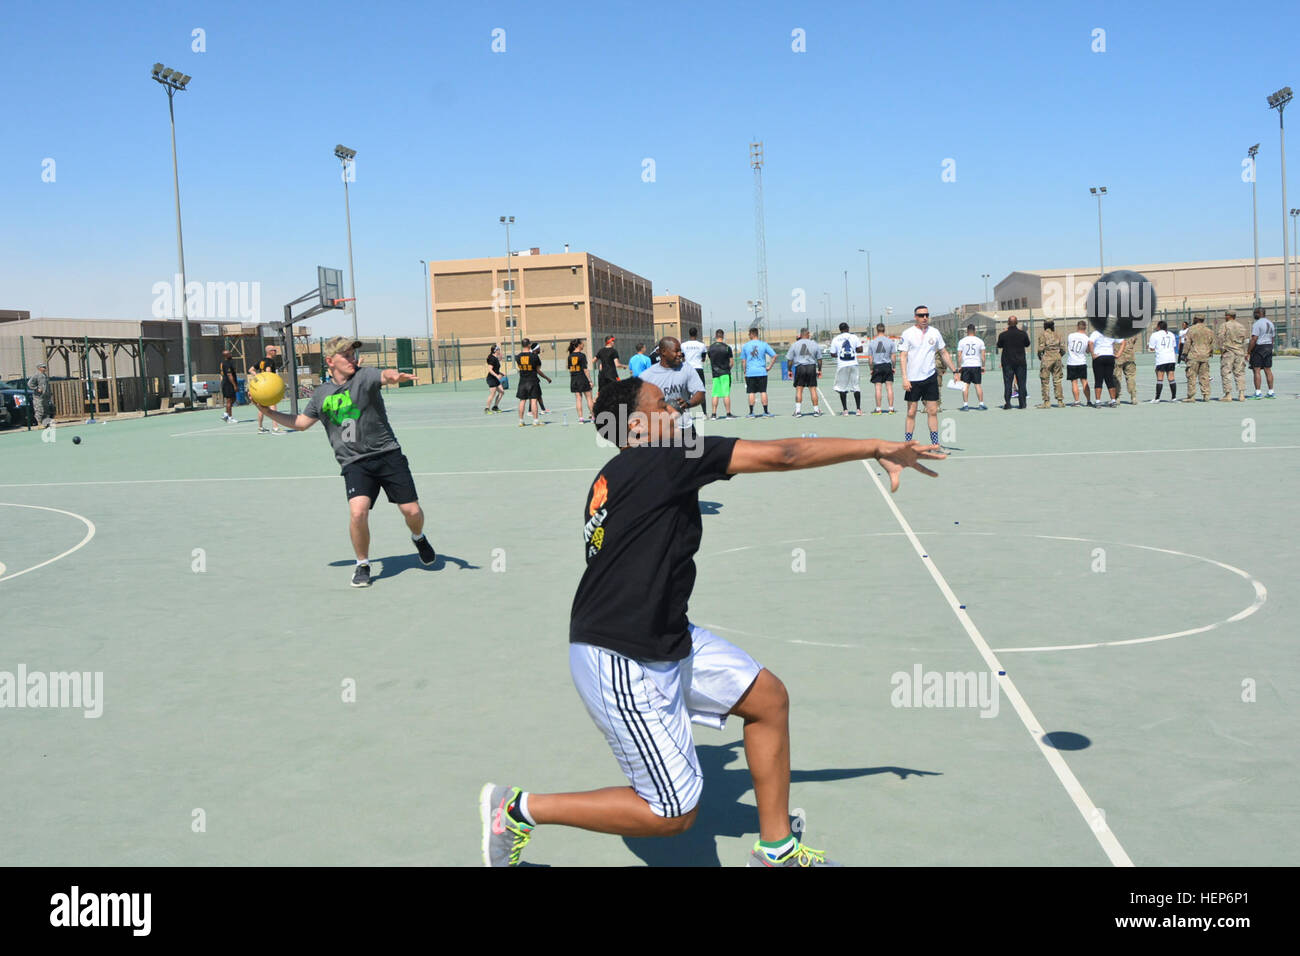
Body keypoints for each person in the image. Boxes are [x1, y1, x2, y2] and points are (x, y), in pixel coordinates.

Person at [479, 376, 946, 867]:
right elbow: (783, 453)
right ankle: (516, 809)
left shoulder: (616, 474)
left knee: (767, 698)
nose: (677, 410)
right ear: (637, 424)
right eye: (663, 404)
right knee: (671, 814)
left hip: (665, 638)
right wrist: (875, 446)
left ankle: (776, 851)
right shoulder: (667, 457)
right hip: (620, 655)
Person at [253, 336, 433, 588]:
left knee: (411, 511)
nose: (352, 359)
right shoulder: (321, 394)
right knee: (358, 512)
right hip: (354, 463)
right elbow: (301, 424)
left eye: (352, 354)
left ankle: (419, 537)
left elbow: (385, 375)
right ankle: (362, 563)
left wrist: (395, 377)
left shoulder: (365, 376)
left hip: (387, 454)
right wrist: (268, 412)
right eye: (345, 355)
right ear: (330, 361)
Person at [899, 305, 959, 445]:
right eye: (921, 315)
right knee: (911, 412)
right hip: (913, 379)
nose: (924, 318)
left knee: (932, 411)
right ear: (916, 317)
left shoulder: (935, 332)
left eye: (926, 315)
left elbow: (943, 352)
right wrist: (905, 378)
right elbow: (903, 356)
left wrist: (955, 371)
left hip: (930, 377)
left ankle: (935, 444)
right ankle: (908, 445)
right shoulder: (908, 333)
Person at [638, 337, 705, 435]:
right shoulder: (646, 376)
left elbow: (700, 393)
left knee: (697, 450)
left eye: (680, 351)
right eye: (676, 351)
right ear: (664, 352)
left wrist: (688, 403)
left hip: (685, 428)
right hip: (660, 431)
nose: (680, 354)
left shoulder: (686, 369)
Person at [739, 327, 777, 417]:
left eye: (749, 334)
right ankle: (766, 412)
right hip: (761, 372)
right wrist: (769, 367)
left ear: (752, 334)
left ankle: (751, 413)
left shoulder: (746, 346)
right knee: (763, 391)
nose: (748, 336)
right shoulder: (764, 344)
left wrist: (745, 371)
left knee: (751, 392)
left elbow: (743, 361)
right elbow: (774, 356)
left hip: (750, 372)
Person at [785, 328, 823, 417]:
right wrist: (820, 370)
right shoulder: (814, 344)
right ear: (808, 334)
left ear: (800, 334)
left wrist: (789, 370)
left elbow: (790, 359)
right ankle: (816, 411)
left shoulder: (794, 345)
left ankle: (798, 411)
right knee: (813, 389)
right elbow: (819, 359)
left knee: (799, 389)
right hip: (811, 367)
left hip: (800, 367)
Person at [828, 322, 864, 415]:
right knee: (856, 386)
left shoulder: (835, 339)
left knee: (842, 388)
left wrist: (840, 353)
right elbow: (860, 349)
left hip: (842, 365)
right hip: (853, 364)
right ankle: (858, 409)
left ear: (840, 330)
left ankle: (845, 410)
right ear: (848, 328)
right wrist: (851, 351)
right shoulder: (854, 337)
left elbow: (832, 354)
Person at [515, 338, 552, 426]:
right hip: (532, 381)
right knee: (534, 400)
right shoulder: (534, 356)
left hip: (522, 381)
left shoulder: (518, 357)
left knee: (522, 401)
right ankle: (535, 421)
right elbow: (538, 370)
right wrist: (546, 378)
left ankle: (521, 421)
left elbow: (520, 367)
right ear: (529, 345)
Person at [996, 316, 1029, 410]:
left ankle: (1008, 403)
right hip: (1020, 362)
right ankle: (1022, 404)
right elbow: (1027, 344)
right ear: (1017, 322)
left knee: (1007, 383)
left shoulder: (1003, 335)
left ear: (1008, 323)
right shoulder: (1023, 334)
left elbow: (999, 345)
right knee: (1022, 383)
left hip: (1007, 362)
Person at [251, 344, 285, 433]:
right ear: (269, 351)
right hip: (268, 386)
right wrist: (272, 379)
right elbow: (268, 371)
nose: (276, 352)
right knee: (273, 405)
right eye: (274, 350)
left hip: (261, 387)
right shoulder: (270, 361)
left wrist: (258, 376)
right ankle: (275, 427)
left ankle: (260, 428)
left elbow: (251, 370)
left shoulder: (261, 360)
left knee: (262, 407)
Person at [1181, 315, 1215, 402]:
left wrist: (1184, 354)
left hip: (1193, 356)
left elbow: (1187, 342)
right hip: (1204, 356)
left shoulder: (1191, 329)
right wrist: (1210, 353)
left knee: (1191, 376)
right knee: (1205, 376)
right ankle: (1206, 395)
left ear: (1196, 319)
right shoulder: (1208, 330)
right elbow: (1212, 343)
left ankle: (1191, 396)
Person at [955, 324, 988, 411]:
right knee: (978, 385)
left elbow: (959, 356)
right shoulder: (980, 341)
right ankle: (981, 404)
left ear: (967, 331)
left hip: (966, 366)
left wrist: (959, 367)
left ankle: (965, 405)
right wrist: (983, 366)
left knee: (965, 386)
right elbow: (983, 355)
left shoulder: (961, 341)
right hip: (976, 365)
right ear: (975, 331)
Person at [867, 324, 897, 414]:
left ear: (877, 330)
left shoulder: (872, 342)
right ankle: (891, 408)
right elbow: (893, 357)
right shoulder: (890, 342)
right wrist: (893, 367)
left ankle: (878, 409)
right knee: (889, 387)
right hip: (887, 365)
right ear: (884, 330)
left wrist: (871, 368)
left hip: (877, 366)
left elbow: (870, 359)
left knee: (878, 388)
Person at [706, 329, 736, 419]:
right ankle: (728, 414)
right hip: (725, 373)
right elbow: (731, 362)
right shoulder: (727, 347)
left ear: (715, 336)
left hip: (715, 374)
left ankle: (714, 414)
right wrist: (727, 369)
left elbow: (710, 359)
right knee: (726, 394)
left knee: (715, 394)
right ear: (723, 336)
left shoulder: (710, 348)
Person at [1146, 320, 1178, 403]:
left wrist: (1148, 346)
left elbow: (1151, 348)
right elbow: (1174, 346)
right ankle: (1174, 397)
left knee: (1160, 378)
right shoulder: (1171, 334)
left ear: (1159, 327)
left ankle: (1157, 398)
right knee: (1171, 378)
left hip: (1161, 359)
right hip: (1171, 358)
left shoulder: (1155, 335)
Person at [1087, 326, 1120, 407]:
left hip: (1099, 357)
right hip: (1109, 356)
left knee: (1098, 380)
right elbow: (1123, 342)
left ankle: (1098, 401)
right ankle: (1113, 400)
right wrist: (1119, 353)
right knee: (1109, 380)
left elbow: (1090, 342)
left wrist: (1092, 354)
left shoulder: (1096, 333)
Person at [1035, 320, 1065, 408]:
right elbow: (1063, 349)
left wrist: (1040, 357)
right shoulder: (1058, 334)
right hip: (1057, 358)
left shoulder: (1043, 335)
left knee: (1045, 381)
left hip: (1047, 358)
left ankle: (1046, 401)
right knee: (1057, 380)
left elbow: (1040, 349)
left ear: (1044, 325)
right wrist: (1059, 356)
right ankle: (1060, 401)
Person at [1219, 312, 1248, 401]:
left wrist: (1221, 350)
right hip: (1239, 351)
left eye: (1226, 316)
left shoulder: (1224, 325)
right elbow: (1244, 340)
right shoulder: (1241, 326)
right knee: (1240, 372)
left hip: (1228, 352)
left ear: (1228, 316)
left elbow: (1220, 337)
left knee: (1226, 372)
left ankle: (1228, 394)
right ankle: (1241, 394)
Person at [1248, 307, 1276, 399]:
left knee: (1256, 370)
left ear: (1260, 313)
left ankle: (1258, 392)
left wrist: (1248, 352)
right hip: (1268, 346)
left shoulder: (1257, 324)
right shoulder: (1270, 323)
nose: (1254, 315)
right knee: (1268, 369)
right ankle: (1271, 392)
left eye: (1255, 313)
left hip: (1259, 347)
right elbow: (1272, 338)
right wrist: (1271, 348)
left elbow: (1254, 339)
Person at [1065, 321, 1092, 406]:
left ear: (1077, 326)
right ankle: (1088, 401)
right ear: (1085, 327)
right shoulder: (1087, 338)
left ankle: (1077, 401)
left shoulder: (1070, 336)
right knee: (1084, 381)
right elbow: (1088, 351)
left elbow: (1069, 345)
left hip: (1071, 362)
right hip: (1081, 362)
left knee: (1074, 382)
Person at [567, 339, 594, 423]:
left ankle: (581, 418)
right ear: (578, 345)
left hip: (574, 379)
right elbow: (585, 370)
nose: (583, 345)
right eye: (582, 344)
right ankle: (593, 417)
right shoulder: (582, 356)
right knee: (589, 398)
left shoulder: (570, 356)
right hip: (582, 378)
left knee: (578, 399)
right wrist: (590, 381)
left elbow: (569, 368)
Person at [27, 362, 56, 428]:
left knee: (46, 410)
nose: (44, 368)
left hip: (45, 396)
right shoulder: (36, 375)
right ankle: (39, 423)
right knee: (39, 409)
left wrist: (49, 393)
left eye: (45, 367)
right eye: (43, 367)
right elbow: (30, 384)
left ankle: (45, 423)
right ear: (39, 368)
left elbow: (46, 386)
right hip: (38, 396)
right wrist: (36, 388)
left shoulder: (45, 375)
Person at [1113, 335, 1140, 405]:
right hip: (1129, 357)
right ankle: (1133, 396)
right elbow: (1134, 340)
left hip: (1118, 357)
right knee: (1131, 377)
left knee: (1117, 377)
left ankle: (1117, 397)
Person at [219, 349, 239, 423]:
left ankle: (225, 414)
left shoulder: (229, 362)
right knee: (229, 401)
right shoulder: (227, 363)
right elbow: (229, 375)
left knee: (233, 399)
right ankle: (230, 417)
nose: (231, 354)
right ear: (226, 356)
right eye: (229, 354)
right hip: (228, 384)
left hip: (229, 383)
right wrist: (234, 385)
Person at [484, 345, 505, 413]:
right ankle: (487, 408)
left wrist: (501, 373)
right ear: (495, 350)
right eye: (498, 349)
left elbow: (495, 369)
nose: (499, 351)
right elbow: (490, 369)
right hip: (491, 378)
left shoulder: (495, 358)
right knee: (493, 393)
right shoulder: (492, 359)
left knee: (501, 392)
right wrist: (497, 375)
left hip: (495, 378)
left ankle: (495, 407)